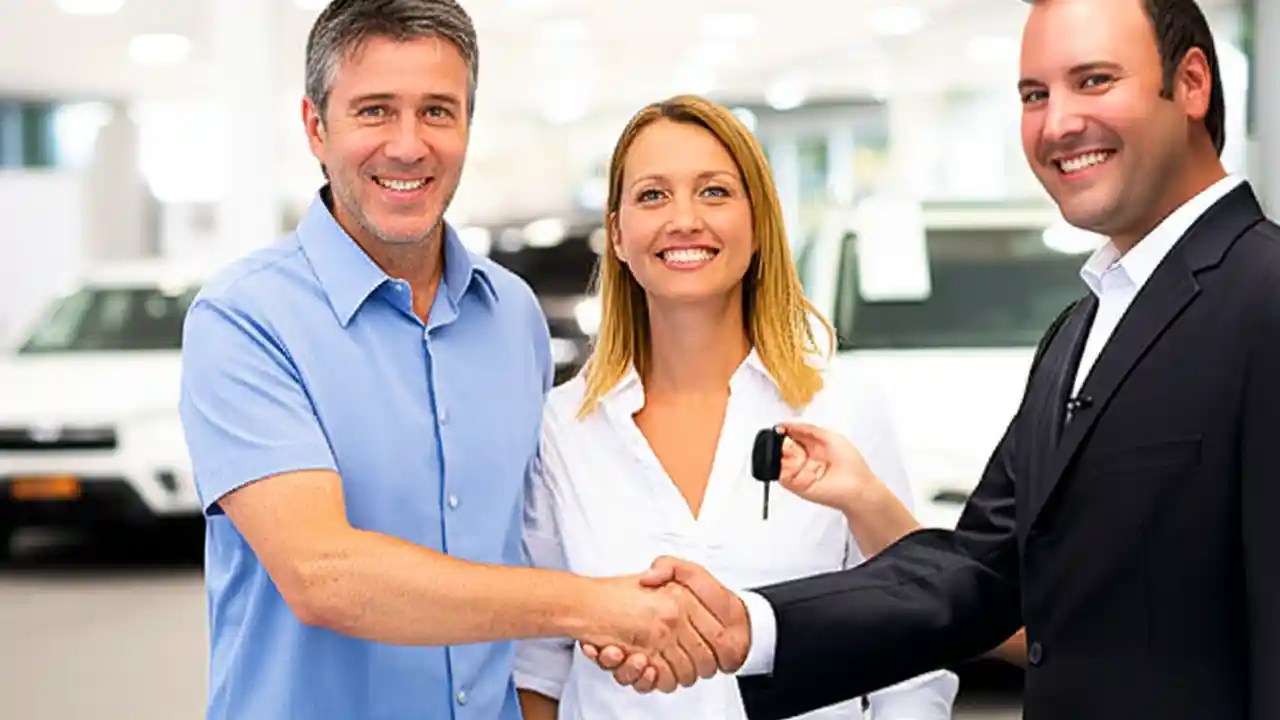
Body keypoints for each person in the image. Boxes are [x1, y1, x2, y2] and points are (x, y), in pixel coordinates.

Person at [589, 0, 1280, 718]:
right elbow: (979, 570)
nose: (1058, 122)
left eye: (1095, 80)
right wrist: (753, 626)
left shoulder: (1264, 300)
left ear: (1193, 83)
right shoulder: (1080, 332)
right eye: (1034, 95)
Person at [177, 2, 729, 719]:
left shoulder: (513, 317)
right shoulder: (244, 321)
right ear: (316, 127)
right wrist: (594, 607)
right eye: (375, 111)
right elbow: (324, 575)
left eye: (438, 112)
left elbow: (534, 541)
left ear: (468, 123)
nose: (408, 146)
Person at [511, 95, 958, 720]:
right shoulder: (563, 426)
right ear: (617, 233)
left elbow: (912, 640)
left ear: (758, 223)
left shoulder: (843, 406)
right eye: (652, 196)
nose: (684, 219)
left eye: (715, 192)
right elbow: (541, 657)